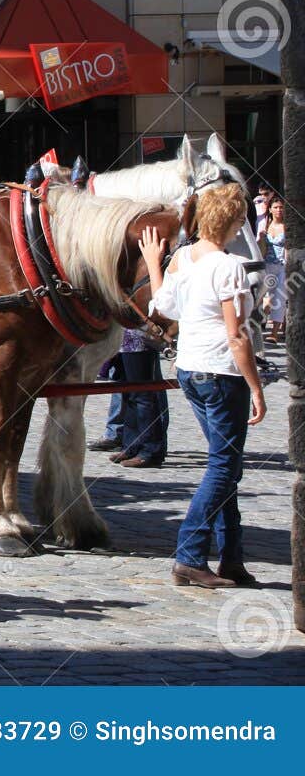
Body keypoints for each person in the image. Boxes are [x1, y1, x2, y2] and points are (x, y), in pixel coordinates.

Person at [140, 182, 267, 589]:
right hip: (221, 372)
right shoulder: (229, 266)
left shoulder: (183, 258)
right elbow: (238, 336)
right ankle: (190, 554)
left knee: (225, 465)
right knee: (224, 466)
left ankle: (232, 557)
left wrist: (156, 266)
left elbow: (161, 307)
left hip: (190, 369)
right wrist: (258, 387)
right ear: (234, 221)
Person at [107, 327, 168, 468]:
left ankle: (151, 451)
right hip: (123, 342)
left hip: (139, 341)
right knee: (129, 396)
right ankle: (131, 446)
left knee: (143, 397)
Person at [258, 195, 286, 344]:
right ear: (270, 209)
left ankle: (274, 332)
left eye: (281, 207)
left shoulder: (287, 226)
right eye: (276, 207)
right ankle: (262, 326)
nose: (279, 210)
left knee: (279, 299)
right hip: (267, 264)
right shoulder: (265, 226)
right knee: (264, 299)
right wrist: (261, 238)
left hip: (282, 265)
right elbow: (261, 248)